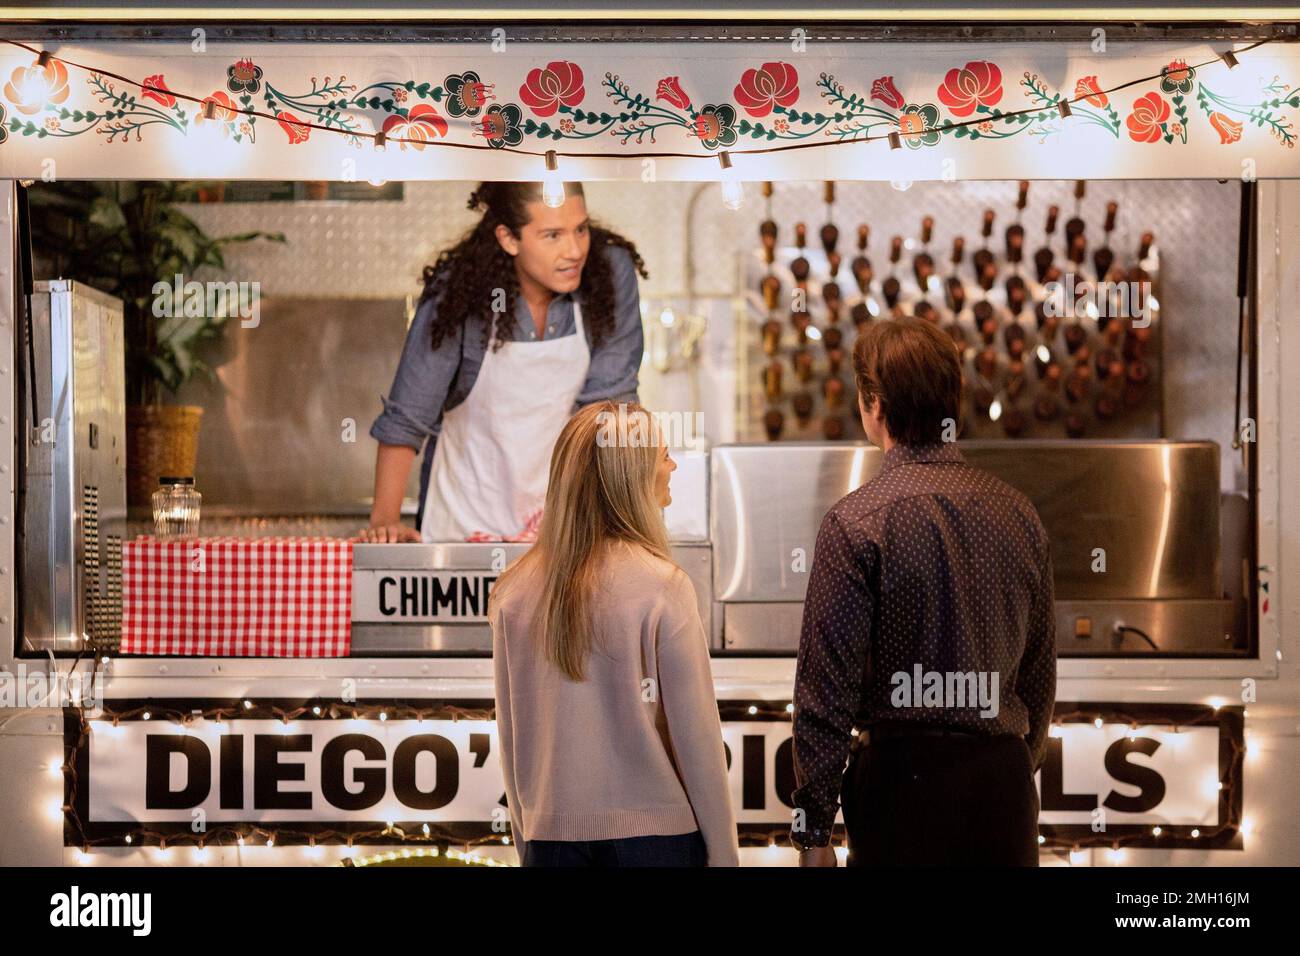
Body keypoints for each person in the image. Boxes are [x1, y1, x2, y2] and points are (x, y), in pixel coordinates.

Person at [790, 317, 1056, 867]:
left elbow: (825, 689)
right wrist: (1011, 764)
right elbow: (1038, 674)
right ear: (952, 400)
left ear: (874, 403)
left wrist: (814, 831)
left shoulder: (855, 522)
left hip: (900, 788)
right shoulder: (1020, 514)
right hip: (1003, 790)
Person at [489, 401, 739, 867]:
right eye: (663, 455)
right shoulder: (664, 586)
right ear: (632, 478)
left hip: (551, 842)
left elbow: (511, 738)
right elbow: (698, 743)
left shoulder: (513, 592)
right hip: (657, 843)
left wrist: (530, 839)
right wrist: (724, 855)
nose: (672, 466)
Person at [361, 181, 646, 543]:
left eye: (581, 229)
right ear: (508, 238)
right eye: (552, 235)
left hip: (557, 535)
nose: (574, 250)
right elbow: (408, 417)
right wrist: (383, 523)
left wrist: (617, 521)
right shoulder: (460, 291)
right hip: (461, 531)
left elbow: (611, 409)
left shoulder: (609, 272)